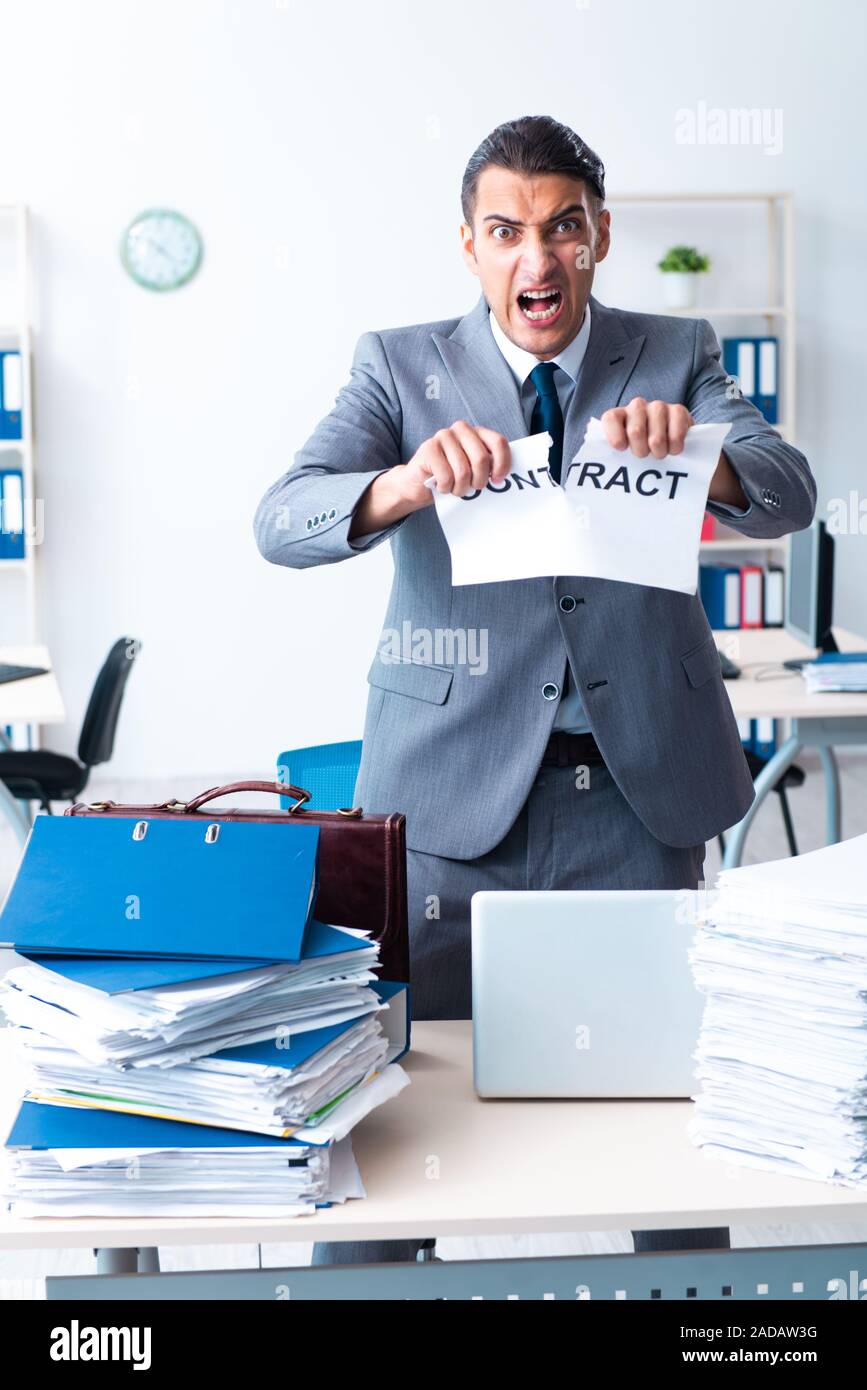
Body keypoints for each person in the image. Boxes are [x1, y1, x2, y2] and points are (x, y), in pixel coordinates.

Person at [254, 115, 816, 1265]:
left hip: (636, 806)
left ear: (600, 235)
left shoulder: (678, 350)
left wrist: (707, 454)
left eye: (564, 229)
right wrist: (400, 484)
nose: (537, 259)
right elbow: (282, 517)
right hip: (449, 808)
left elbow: (788, 489)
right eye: (507, 231)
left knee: (662, 1126)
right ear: (469, 244)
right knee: (389, 1118)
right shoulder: (397, 362)